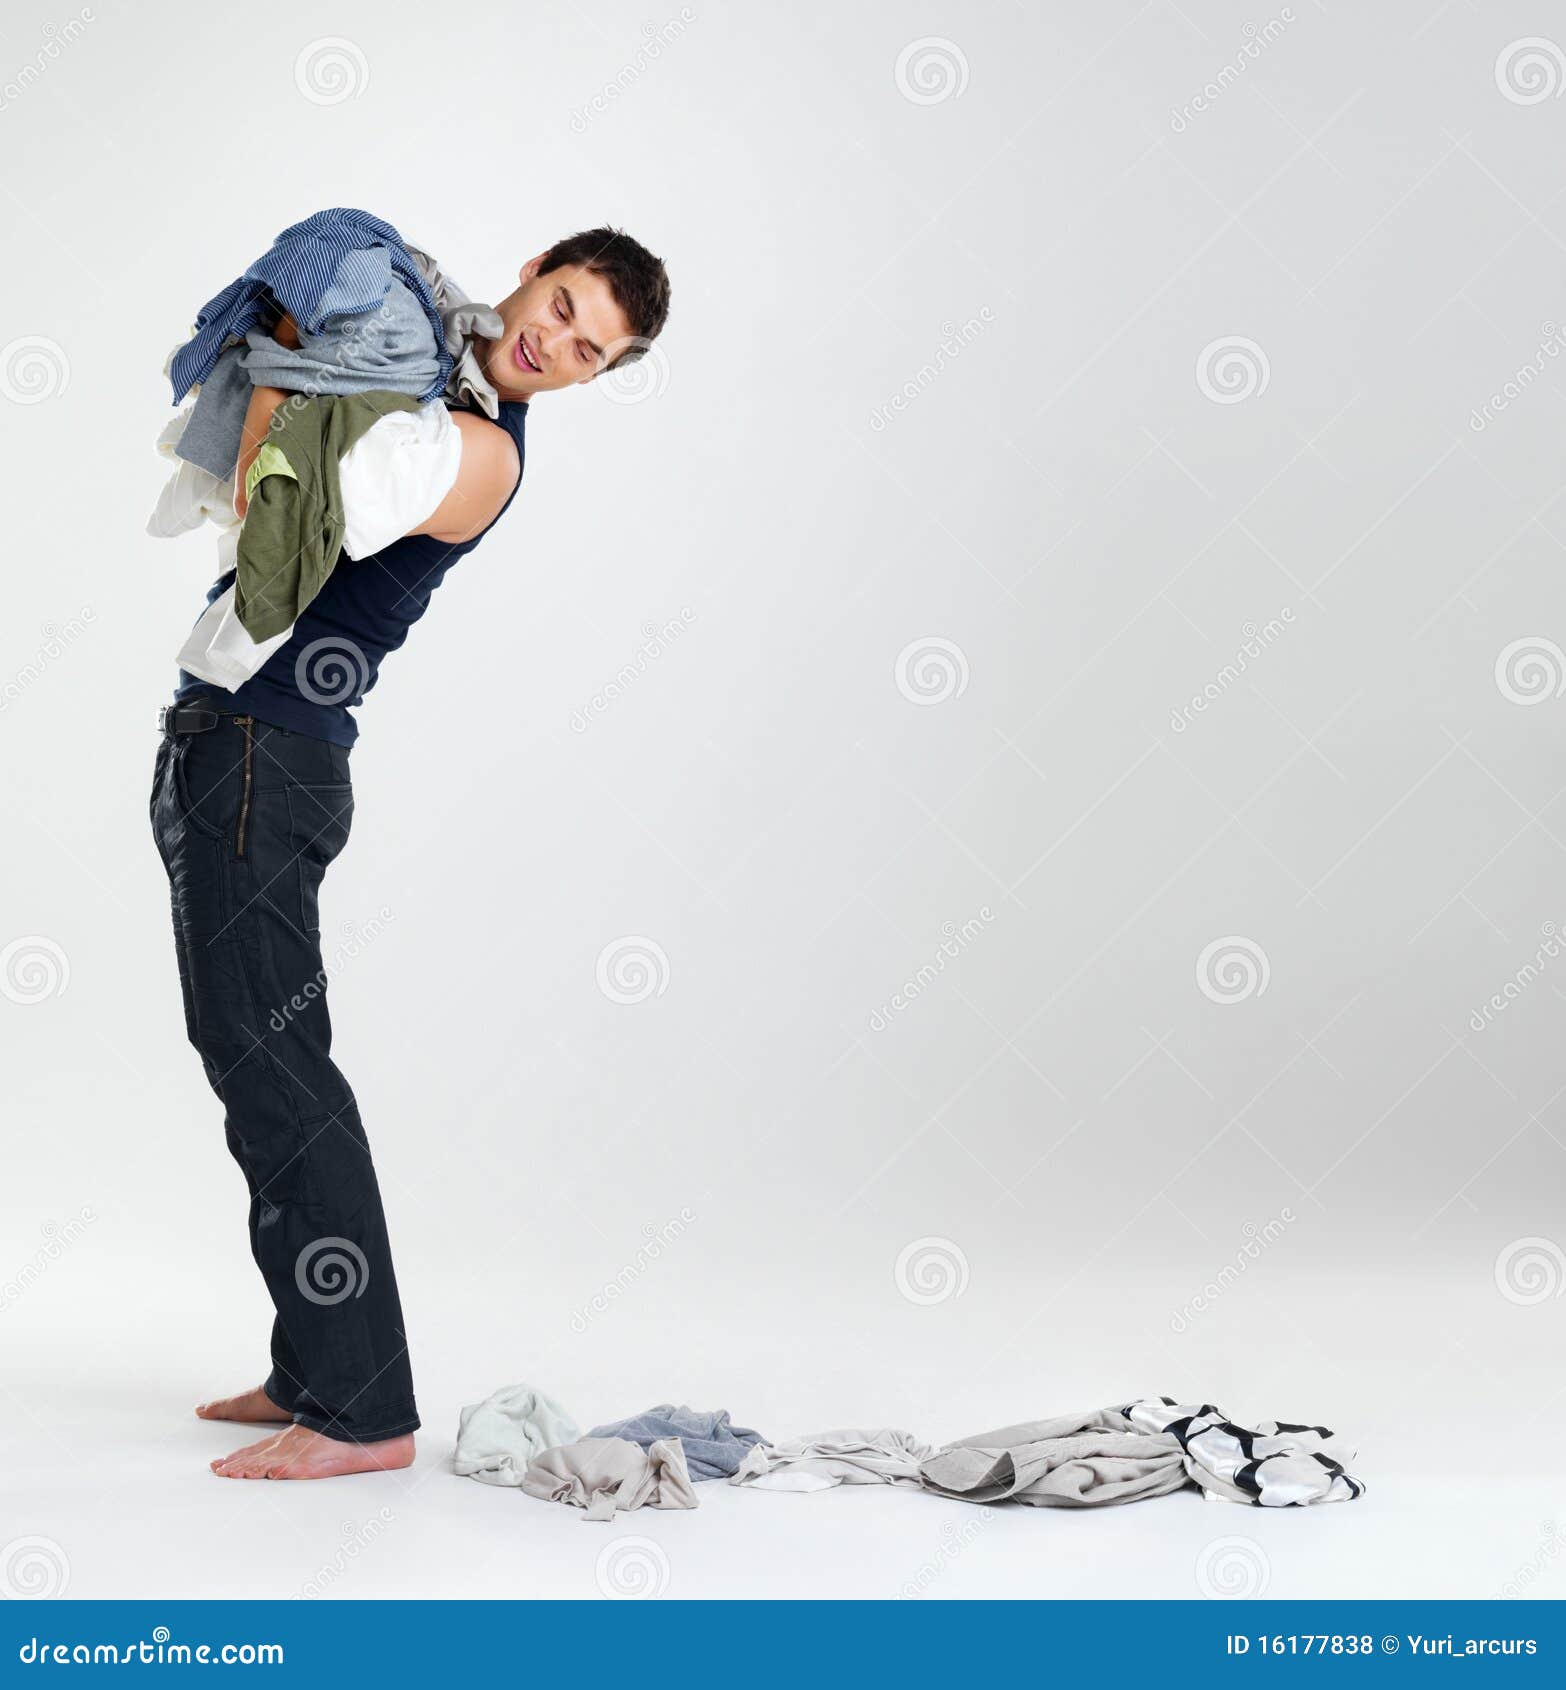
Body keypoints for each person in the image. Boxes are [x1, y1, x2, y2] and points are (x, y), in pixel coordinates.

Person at [148, 225, 671, 1481]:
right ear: (537, 267)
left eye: (590, 351)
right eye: (560, 306)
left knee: (276, 1063)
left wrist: (282, 360)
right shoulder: (436, 368)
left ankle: (364, 1406)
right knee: (251, 1056)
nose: (555, 343)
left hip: (268, 753)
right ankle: (308, 1360)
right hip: (232, 738)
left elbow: (276, 482)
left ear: (599, 377)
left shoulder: (478, 448)